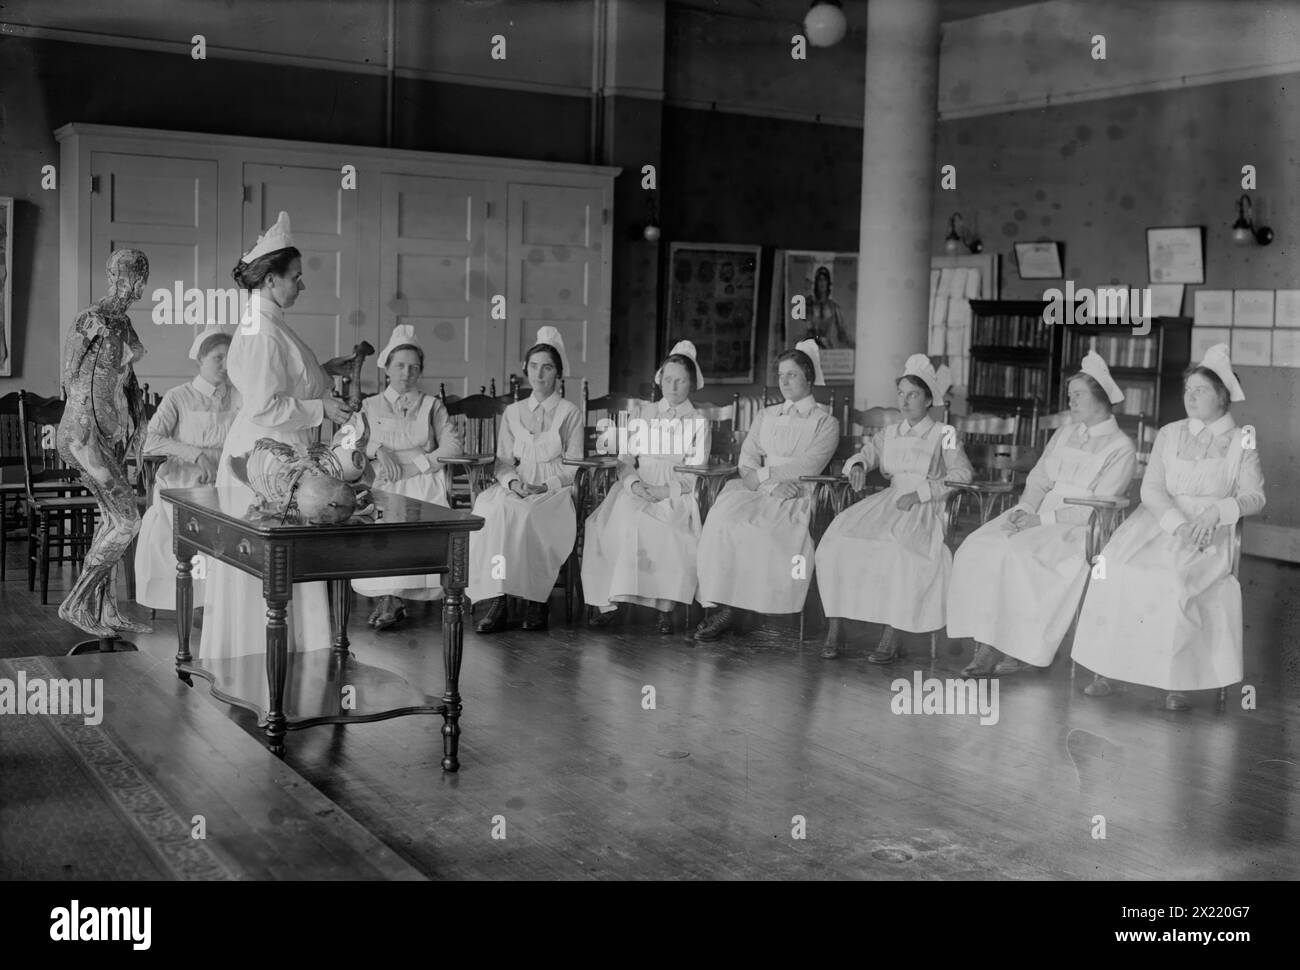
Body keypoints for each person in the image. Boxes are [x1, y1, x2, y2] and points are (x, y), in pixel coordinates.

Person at [199, 212, 354, 702]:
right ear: (270, 280)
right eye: (295, 276)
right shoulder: (261, 330)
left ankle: (289, 672)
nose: (301, 284)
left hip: (279, 452)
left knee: (280, 563)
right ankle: (258, 671)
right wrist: (321, 404)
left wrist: (321, 374)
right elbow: (266, 405)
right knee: (268, 561)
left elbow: (277, 382)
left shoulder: (268, 323)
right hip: (266, 458)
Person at [1072, 344, 1265, 711]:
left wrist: (1216, 513)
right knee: (1116, 570)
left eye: (1200, 390)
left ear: (1223, 395)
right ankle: (1108, 669)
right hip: (1159, 521)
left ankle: (1177, 680)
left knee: (1173, 581)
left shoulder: (1244, 439)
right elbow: (1152, 488)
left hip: (1210, 532)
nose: (1190, 397)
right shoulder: (1170, 432)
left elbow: (1255, 497)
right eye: (1187, 390)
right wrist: (1176, 524)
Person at [947, 351, 1137, 677]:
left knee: (1016, 553)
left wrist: (1043, 521)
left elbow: (1099, 507)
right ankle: (993, 640)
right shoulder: (1064, 434)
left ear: (1100, 399)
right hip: (1040, 514)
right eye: (1069, 396)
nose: (1070, 402)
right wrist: (1024, 510)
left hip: (1081, 527)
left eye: (1077, 396)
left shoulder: (1121, 447)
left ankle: (1001, 649)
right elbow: (1038, 479)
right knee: (980, 544)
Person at [818, 354, 972, 661]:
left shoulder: (944, 434)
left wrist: (924, 492)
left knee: (898, 549)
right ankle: (836, 628)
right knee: (837, 539)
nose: (904, 401)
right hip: (890, 499)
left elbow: (963, 473)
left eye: (913, 394)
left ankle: (893, 631)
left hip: (925, 505)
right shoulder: (890, 432)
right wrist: (859, 465)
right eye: (901, 394)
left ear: (929, 399)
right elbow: (866, 454)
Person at [693, 339, 839, 641]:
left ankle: (756, 607)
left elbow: (809, 465)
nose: (784, 381)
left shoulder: (825, 422)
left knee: (766, 531)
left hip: (798, 491)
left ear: (809, 379)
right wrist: (766, 481)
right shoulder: (766, 415)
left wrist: (763, 477)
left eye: (792, 375)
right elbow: (747, 456)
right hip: (761, 488)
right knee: (724, 522)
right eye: (781, 374)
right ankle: (728, 607)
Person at [582, 340, 711, 635]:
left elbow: (695, 472)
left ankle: (663, 605)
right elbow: (625, 459)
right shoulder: (643, 413)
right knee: (608, 523)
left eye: (680, 381)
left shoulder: (698, 422)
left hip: (676, 490)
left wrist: (664, 492)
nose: (673, 386)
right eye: (668, 379)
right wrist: (635, 484)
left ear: (691, 383)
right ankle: (612, 602)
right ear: (660, 379)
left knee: (663, 529)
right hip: (638, 485)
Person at [338, 325, 462, 630]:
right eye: (400, 366)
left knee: (418, 515)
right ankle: (389, 596)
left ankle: (404, 595)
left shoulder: (433, 406)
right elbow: (344, 442)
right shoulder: (370, 406)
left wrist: (418, 464)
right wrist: (377, 449)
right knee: (382, 519)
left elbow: (452, 446)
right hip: (382, 481)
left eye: (413, 367)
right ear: (387, 369)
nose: (407, 373)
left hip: (424, 479)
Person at [56, 249, 152, 637]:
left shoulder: (122, 323)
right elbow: (70, 379)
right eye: (139, 277)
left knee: (110, 519)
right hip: (84, 435)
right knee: (128, 519)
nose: (142, 286)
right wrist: (91, 431)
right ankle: (75, 604)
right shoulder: (91, 319)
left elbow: (125, 380)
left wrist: (134, 428)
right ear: (123, 278)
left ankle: (106, 610)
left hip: (105, 433)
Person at [468, 327, 584, 633]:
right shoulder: (514, 412)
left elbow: (573, 466)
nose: (539, 374)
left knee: (530, 513)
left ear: (559, 373)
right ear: (525, 370)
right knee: (492, 509)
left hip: (555, 488)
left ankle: (537, 600)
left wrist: (544, 487)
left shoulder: (570, 412)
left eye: (547, 367)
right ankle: (499, 597)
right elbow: (503, 461)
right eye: (533, 367)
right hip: (518, 482)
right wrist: (514, 484)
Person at [133, 325, 241, 611]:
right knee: (190, 531)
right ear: (200, 361)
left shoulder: (239, 397)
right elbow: (148, 441)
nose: (225, 365)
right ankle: (189, 599)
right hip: (182, 484)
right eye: (218, 357)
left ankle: (224, 605)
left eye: (230, 358)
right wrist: (195, 454)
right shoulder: (179, 396)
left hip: (225, 482)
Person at [805, 265, 853, 350]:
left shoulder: (834, 307)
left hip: (828, 349)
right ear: (816, 283)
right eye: (820, 280)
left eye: (824, 280)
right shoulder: (809, 305)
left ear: (828, 283)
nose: (822, 283)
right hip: (811, 347)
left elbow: (842, 333)